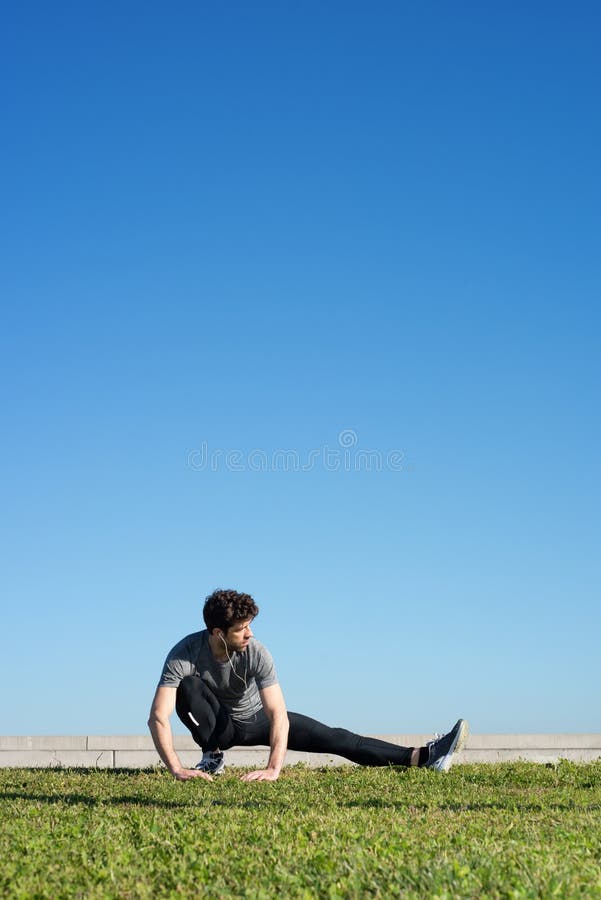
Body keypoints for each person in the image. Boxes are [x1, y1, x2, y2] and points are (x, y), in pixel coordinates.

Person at [148, 588, 468, 782]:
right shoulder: (185, 652)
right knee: (186, 688)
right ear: (218, 632)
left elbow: (277, 713)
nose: (250, 635)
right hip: (219, 728)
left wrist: (273, 768)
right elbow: (159, 716)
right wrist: (176, 768)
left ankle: (425, 757)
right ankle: (212, 754)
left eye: (250, 627)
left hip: (257, 720)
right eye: (241, 629)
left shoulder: (256, 651)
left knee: (338, 738)